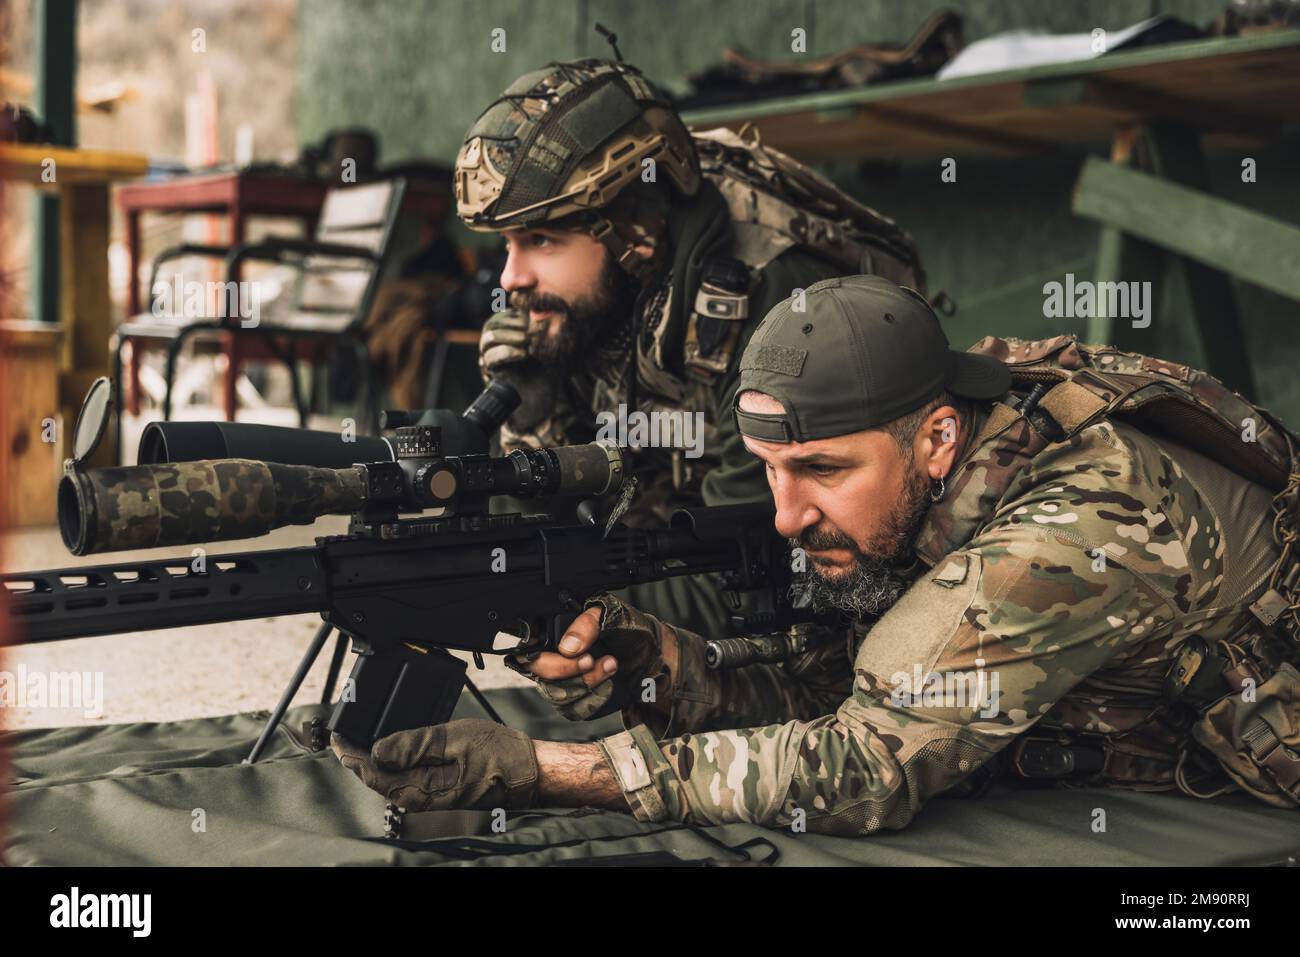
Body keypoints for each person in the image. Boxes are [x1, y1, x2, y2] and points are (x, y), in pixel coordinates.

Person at [335, 276, 1300, 832]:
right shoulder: (959, 439)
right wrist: (666, 669)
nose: (787, 515)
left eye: (822, 470)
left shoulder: (1072, 529)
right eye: (768, 470)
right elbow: (841, 684)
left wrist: (551, 769)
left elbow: (861, 762)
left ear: (934, 440)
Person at [454, 56, 922, 634]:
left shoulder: (772, 305)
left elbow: (750, 574)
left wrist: (569, 610)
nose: (510, 278)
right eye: (506, 245)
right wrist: (531, 425)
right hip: (671, 527)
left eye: (541, 240)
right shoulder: (587, 307)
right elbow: (541, 536)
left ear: (634, 234)